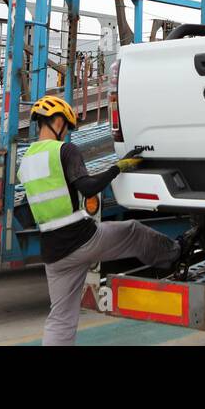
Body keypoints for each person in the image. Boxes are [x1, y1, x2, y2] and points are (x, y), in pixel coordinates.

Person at [20, 95, 182, 345]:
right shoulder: (64, 150)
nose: (67, 133)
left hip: (53, 252)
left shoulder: (27, 160)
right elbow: (88, 187)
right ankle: (174, 255)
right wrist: (120, 167)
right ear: (58, 121)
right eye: (67, 127)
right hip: (81, 239)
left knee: (60, 317)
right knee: (133, 231)